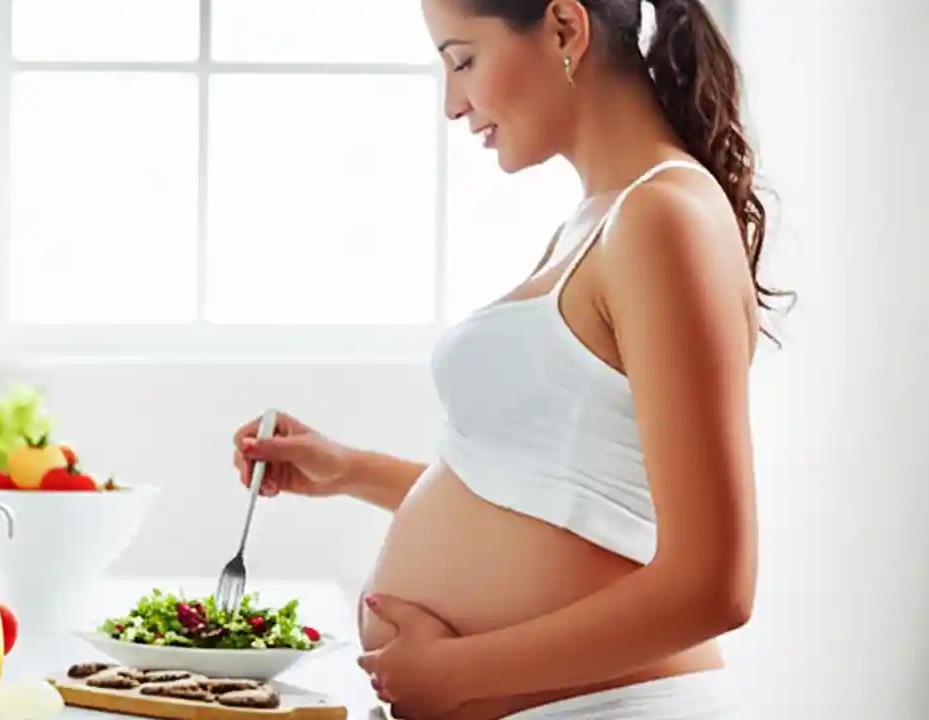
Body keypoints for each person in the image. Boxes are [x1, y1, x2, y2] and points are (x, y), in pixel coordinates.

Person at [232, 1, 788, 717]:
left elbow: (715, 585)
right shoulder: (597, 221)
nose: (451, 104)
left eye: (463, 60)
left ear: (565, 28)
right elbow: (553, 503)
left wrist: (458, 672)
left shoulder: (662, 217)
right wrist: (349, 469)